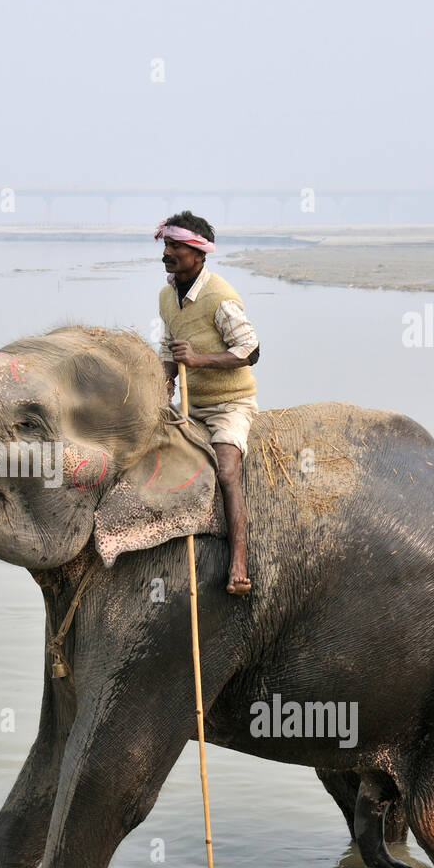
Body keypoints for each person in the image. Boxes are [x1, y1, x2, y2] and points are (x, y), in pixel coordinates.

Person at [156, 211, 259, 595]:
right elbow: (169, 348)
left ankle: (238, 563)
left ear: (199, 254)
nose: (168, 253)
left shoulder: (220, 297)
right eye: (166, 245)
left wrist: (197, 360)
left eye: (176, 246)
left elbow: (250, 350)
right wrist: (165, 379)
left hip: (229, 403)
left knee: (227, 471)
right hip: (189, 403)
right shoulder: (167, 297)